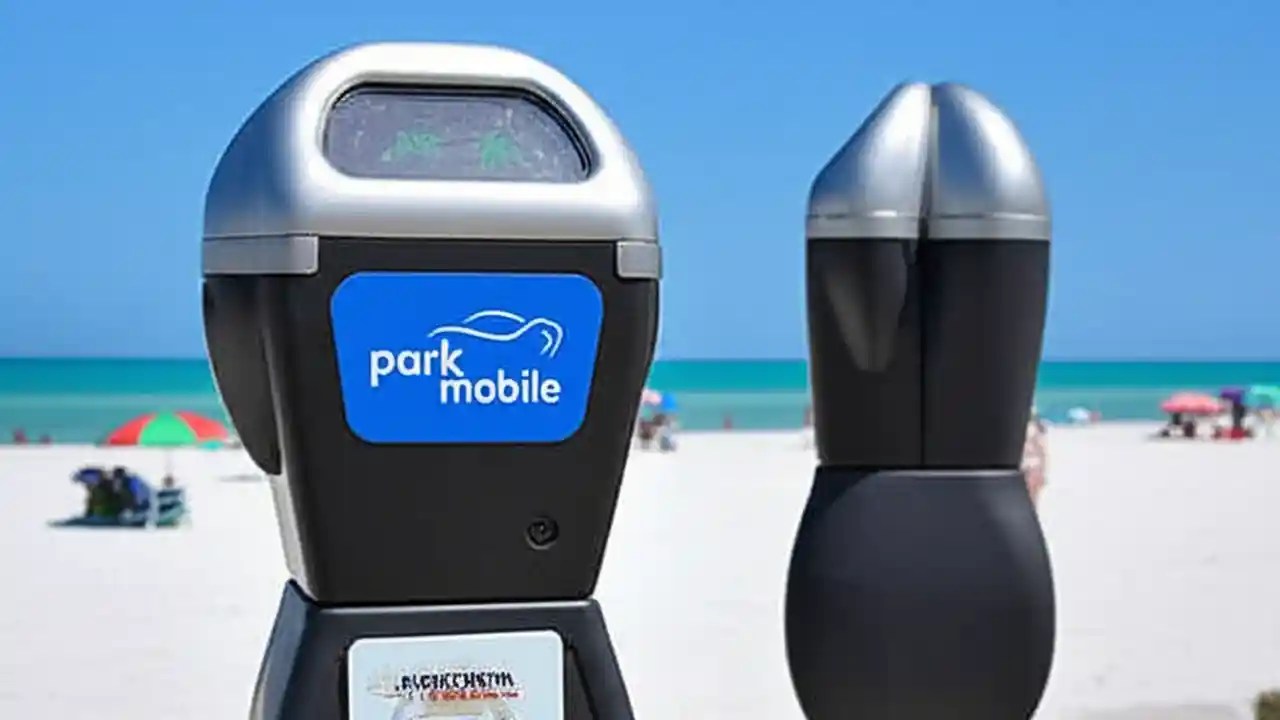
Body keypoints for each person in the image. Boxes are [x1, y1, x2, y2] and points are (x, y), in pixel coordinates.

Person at [1022, 409, 1048, 507]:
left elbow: (1042, 452)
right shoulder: (1035, 429)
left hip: (1028, 465)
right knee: (1032, 500)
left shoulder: (1030, 428)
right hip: (1033, 465)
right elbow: (1042, 453)